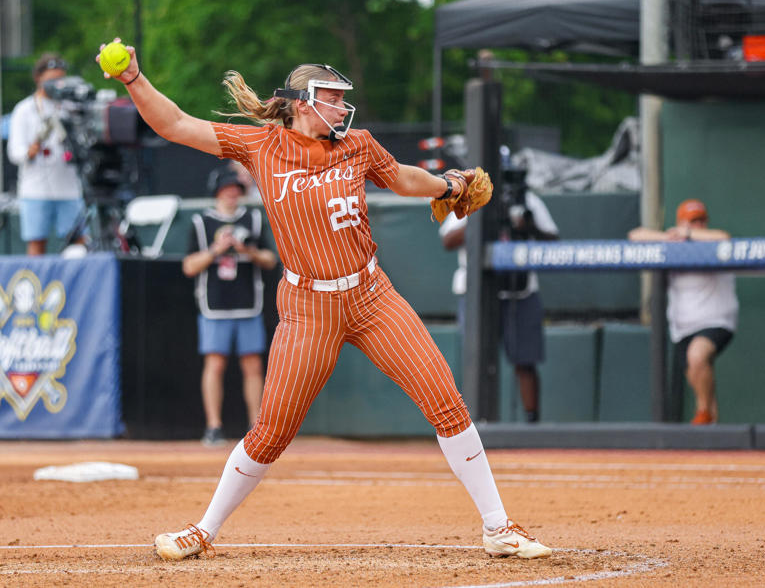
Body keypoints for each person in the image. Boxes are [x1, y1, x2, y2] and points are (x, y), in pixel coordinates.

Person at [97, 38, 552, 561]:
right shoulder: (262, 145)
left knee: (445, 401)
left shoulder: (356, 144)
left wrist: (446, 185)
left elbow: (403, 177)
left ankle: (498, 528)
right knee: (271, 432)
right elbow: (176, 125)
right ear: (299, 101)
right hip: (308, 307)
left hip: (370, 294)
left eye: (341, 98)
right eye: (332, 97)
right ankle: (203, 529)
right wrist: (133, 78)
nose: (341, 106)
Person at [439, 182, 558, 424]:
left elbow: (553, 240)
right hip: (478, 291)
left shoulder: (527, 200)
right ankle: (476, 423)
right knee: (478, 361)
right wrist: (480, 220)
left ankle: (531, 423)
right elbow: (448, 240)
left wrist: (526, 225)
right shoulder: (471, 199)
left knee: (525, 361)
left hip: (520, 289)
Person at [183, 165, 278, 446]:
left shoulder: (254, 219)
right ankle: (214, 426)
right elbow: (189, 266)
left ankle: (256, 426)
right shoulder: (202, 223)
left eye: (236, 191)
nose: (232, 195)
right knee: (215, 364)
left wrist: (245, 249)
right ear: (217, 192)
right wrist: (217, 250)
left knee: (253, 365)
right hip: (215, 305)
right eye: (227, 191)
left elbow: (270, 259)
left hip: (247, 303)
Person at [628, 198, 738, 425]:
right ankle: (712, 436)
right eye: (690, 222)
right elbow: (635, 236)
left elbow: (724, 238)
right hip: (682, 327)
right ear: (679, 222)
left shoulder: (713, 242)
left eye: (699, 221)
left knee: (697, 357)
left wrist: (688, 235)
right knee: (700, 386)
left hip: (716, 320)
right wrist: (669, 237)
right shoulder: (673, 244)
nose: (695, 225)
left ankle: (705, 415)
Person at [7, 53, 87, 255]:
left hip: (69, 189)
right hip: (35, 191)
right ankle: (35, 285)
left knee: (78, 243)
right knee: (36, 242)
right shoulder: (24, 109)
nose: (56, 85)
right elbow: (14, 152)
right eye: (51, 80)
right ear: (38, 78)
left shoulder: (71, 107)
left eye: (60, 80)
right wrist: (31, 151)